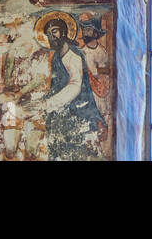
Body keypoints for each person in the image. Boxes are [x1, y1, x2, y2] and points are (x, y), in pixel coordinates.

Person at [21, 18, 103, 159]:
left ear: (64, 32)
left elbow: (75, 86)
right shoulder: (56, 57)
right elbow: (56, 88)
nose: (52, 36)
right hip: (60, 113)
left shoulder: (73, 55)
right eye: (48, 34)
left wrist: (47, 103)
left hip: (77, 113)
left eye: (55, 31)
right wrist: (39, 102)